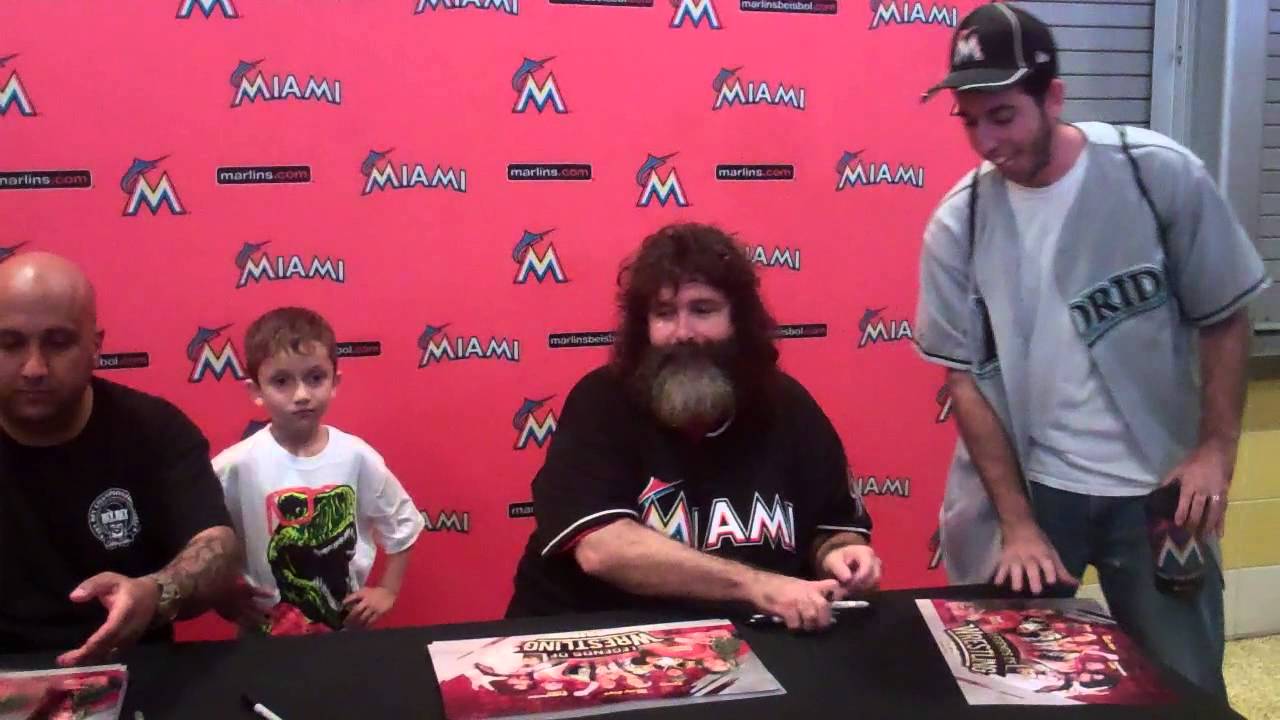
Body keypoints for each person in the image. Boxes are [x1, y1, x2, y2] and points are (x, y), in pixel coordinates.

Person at [914, 4, 1268, 697]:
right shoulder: (961, 222)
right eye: (970, 120)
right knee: (1015, 684)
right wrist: (1016, 525)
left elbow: (1226, 315)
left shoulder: (1158, 175)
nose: (985, 140)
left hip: (1164, 496)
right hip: (1037, 496)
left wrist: (1216, 450)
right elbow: (965, 382)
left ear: (1053, 97)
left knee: (1186, 683)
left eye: (1003, 115)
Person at [508, 223, 880, 631]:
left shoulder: (788, 406)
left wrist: (842, 556)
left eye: (703, 310)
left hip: (749, 643)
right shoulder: (601, 402)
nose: (683, 333)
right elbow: (604, 549)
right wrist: (760, 586)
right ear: (644, 326)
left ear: (738, 320)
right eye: (665, 314)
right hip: (597, 637)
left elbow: (833, 530)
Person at [0, 252, 238, 665]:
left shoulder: (155, 429)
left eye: (58, 343)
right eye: (9, 344)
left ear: (95, 346)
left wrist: (156, 592)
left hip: (134, 666)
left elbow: (217, 545)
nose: (34, 368)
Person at [213, 307, 424, 634]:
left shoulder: (356, 457)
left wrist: (388, 590)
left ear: (334, 382)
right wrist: (223, 596)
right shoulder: (235, 466)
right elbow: (200, 539)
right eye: (281, 381)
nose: (301, 395)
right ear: (256, 391)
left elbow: (404, 524)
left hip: (344, 632)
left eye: (315, 378)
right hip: (262, 634)